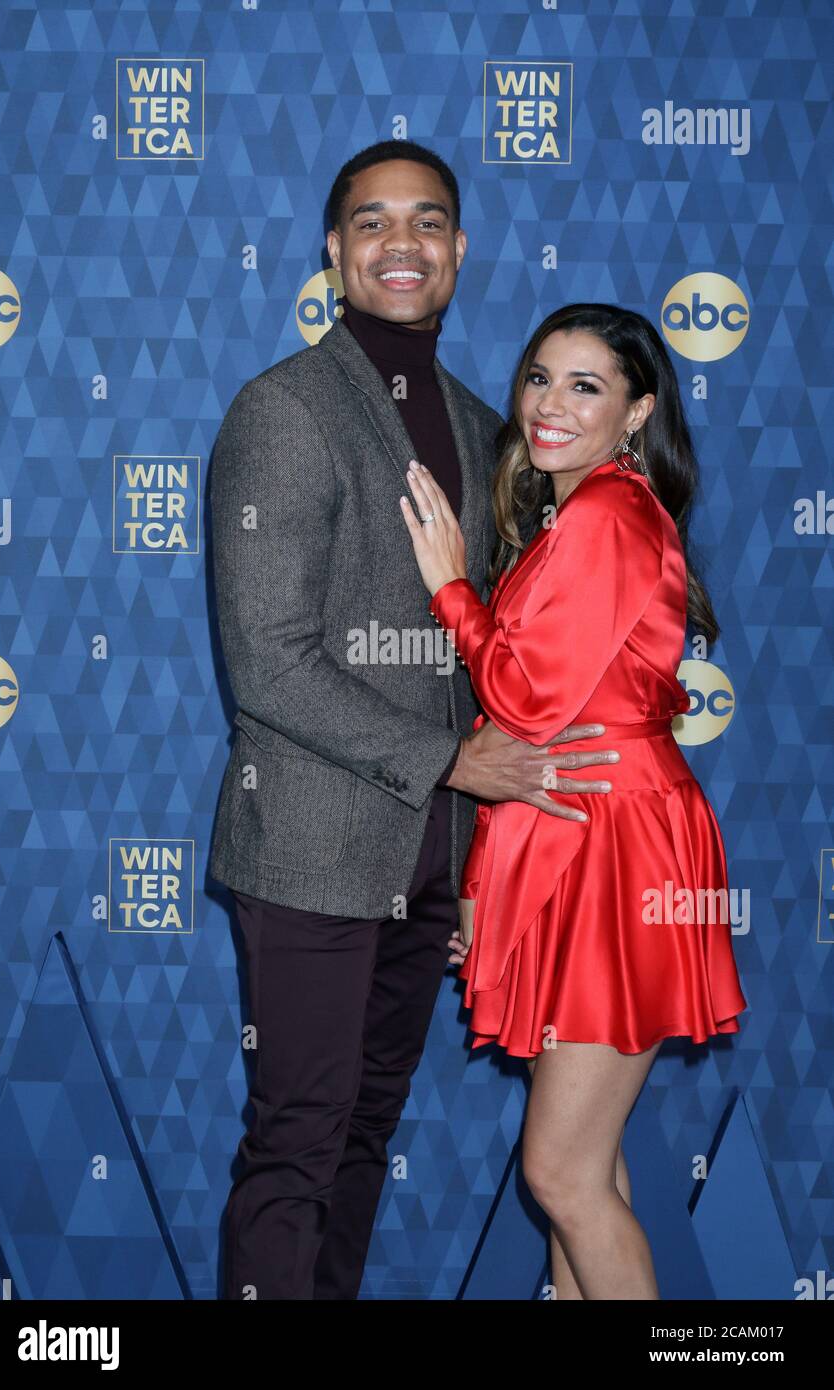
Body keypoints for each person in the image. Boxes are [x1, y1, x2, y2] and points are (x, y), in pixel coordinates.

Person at [209, 143, 621, 1300]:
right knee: (296, 1144)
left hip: (427, 863)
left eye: (427, 222)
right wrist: (454, 764)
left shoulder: (490, 428)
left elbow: (498, 669)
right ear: (334, 253)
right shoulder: (284, 412)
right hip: (307, 851)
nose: (403, 245)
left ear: (459, 250)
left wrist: (474, 859)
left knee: (358, 1141)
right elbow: (268, 667)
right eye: (373, 223)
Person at [400, 302, 749, 1300]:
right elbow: (526, 735)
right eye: (539, 377)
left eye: (584, 385)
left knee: (557, 1172)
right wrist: (489, 884)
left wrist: (449, 589)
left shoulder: (603, 513)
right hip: (582, 836)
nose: (549, 403)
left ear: (637, 410)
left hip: (618, 847)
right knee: (582, 1170)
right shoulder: (580, 514)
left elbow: (523, 699)